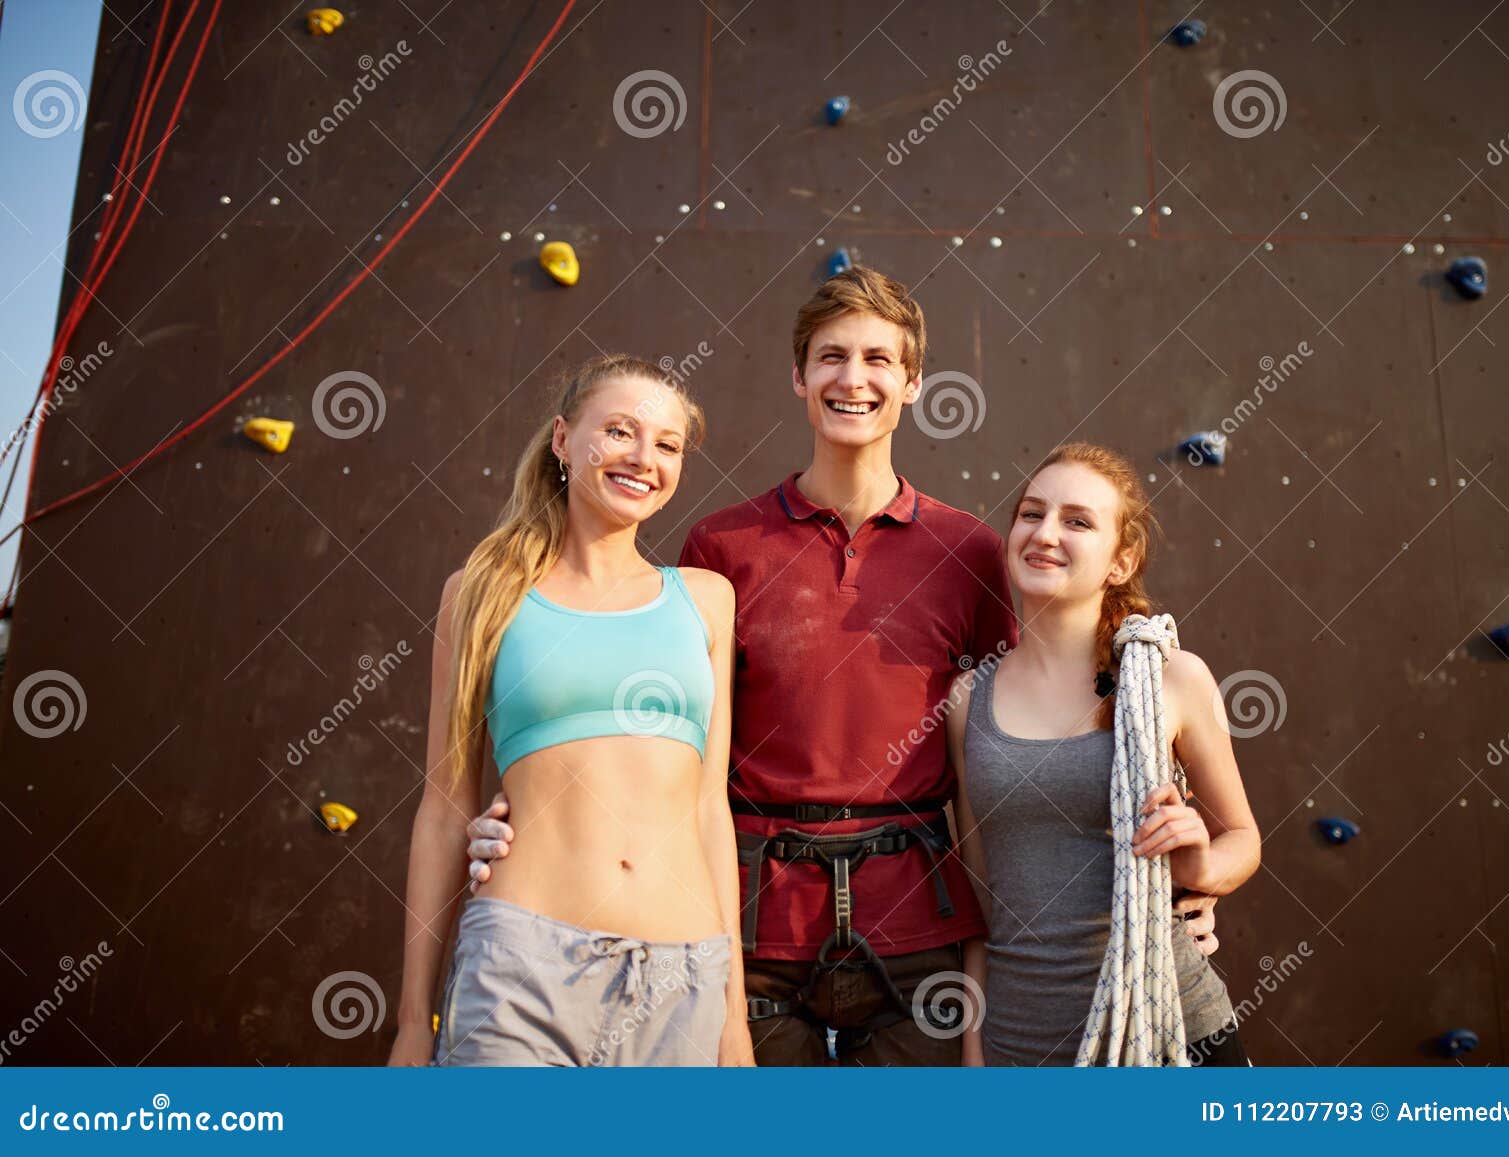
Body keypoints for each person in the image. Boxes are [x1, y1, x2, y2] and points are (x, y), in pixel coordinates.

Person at [466, 268, 1221, 1066]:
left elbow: (1048, 716)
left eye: (877, 359)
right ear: (799, 376)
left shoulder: (967, 550)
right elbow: (671, 750)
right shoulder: (720, 550)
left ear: (913, 382)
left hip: (919, 928)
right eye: (830, 357)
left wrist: (1184, 879)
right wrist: (534, 812)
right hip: (760, 933)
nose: (852, 378)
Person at [387, 353, 752, 1067]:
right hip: (521, 965)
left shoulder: (705, 600)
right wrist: (410, 1022)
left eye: (668, 444)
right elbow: (442, 807)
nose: (644, 458)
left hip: (682, 980)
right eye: (620, 430)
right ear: (562, 439)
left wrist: (732, 1020)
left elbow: (711, 811)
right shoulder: (482, 593)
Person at [949, 442, 1261, 1066]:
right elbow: (981, 895)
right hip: (1023, 1044)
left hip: (1169, 1031)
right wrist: (974, 1046)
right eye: (1032, 513)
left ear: (1121, 561)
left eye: (1078, 522)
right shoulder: (966, 699)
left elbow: (1244, 840)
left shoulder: (1172, 678)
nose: (1045, 534)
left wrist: (1198, 864)